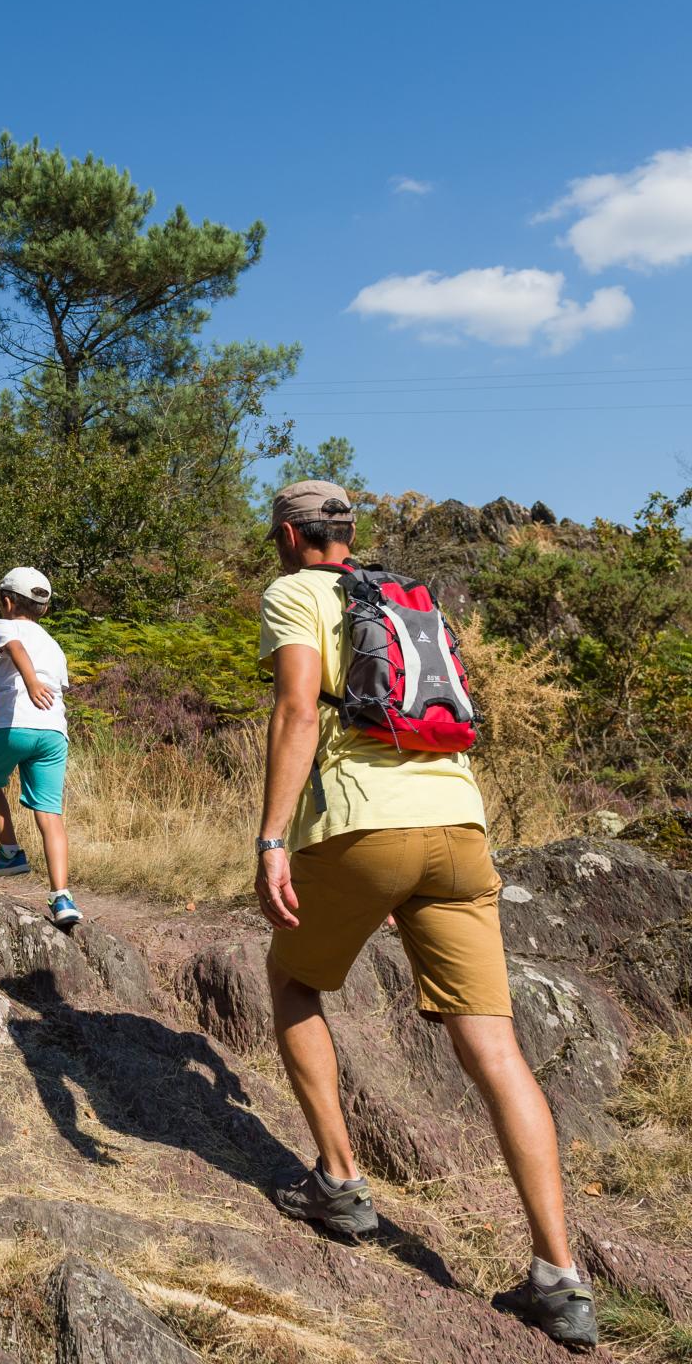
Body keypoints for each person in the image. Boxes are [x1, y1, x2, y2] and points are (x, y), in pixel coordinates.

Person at [254, 480, 595, 1351]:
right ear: (352, 533)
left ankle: (338, 1180)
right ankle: (561, 1277)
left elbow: (298, 709)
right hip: (461, 824)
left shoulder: (295, 591)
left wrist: (270, 840)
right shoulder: (405, 595)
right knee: (493, 1044)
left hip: (367, 824)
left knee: (291, 978)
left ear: (291, 537)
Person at [0, 566, 80, 927]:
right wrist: (40, 684)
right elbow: (61, 687)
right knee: (50, 813)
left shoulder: (3, 626)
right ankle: (62, 897)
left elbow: (15, 648)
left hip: (13, 724)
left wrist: (30, 682)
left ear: (6, 601)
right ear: (44, 610)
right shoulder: (54, 644)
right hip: (53, 733)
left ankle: (10, 853)